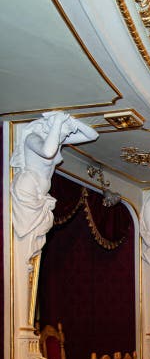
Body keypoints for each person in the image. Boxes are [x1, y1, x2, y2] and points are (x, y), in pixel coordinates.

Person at [10, 111, 98, 270]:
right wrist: (58, 122)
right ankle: (21, 262)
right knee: (27, 231)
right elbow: (48, 152)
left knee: (38, 232)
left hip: (41, 194)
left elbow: (92, 135)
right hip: (29, 185)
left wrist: (71, 122)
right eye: (64, 132)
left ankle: (26, 260)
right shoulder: (33, 138)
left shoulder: (57, 139)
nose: (66, 135)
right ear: (51, 127)